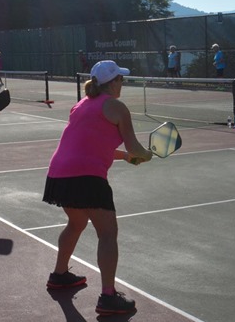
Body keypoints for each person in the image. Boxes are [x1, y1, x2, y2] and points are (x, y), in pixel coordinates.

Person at [42, 60, 152, 316]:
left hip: (59, 173)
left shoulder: (80, 105)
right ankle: (108, 297)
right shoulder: (117, 107)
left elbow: (90, 145)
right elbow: (137, 148)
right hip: (86, 177)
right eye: (120, 79)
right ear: (112, 83)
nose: (122, 83)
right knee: (107, 233)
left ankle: (59, 275)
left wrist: (125, 157)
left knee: (76, 223)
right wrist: (144, 155)